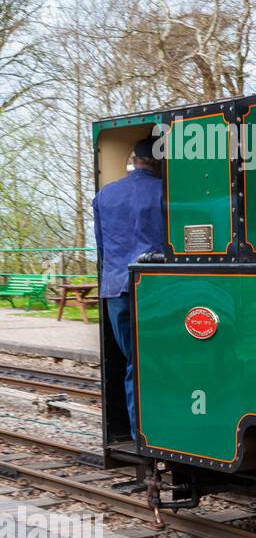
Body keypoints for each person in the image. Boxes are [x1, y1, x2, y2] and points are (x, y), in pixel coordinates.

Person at [93, 137, 164, 441]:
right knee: (157, 361)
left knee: (133, 362)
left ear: (134, 159)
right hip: (156, 289)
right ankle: (156, 433)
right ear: (159, 162)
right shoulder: (165, 193)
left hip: (115, 288)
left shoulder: (105, 196)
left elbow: (101, 248)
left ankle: (139, 434)